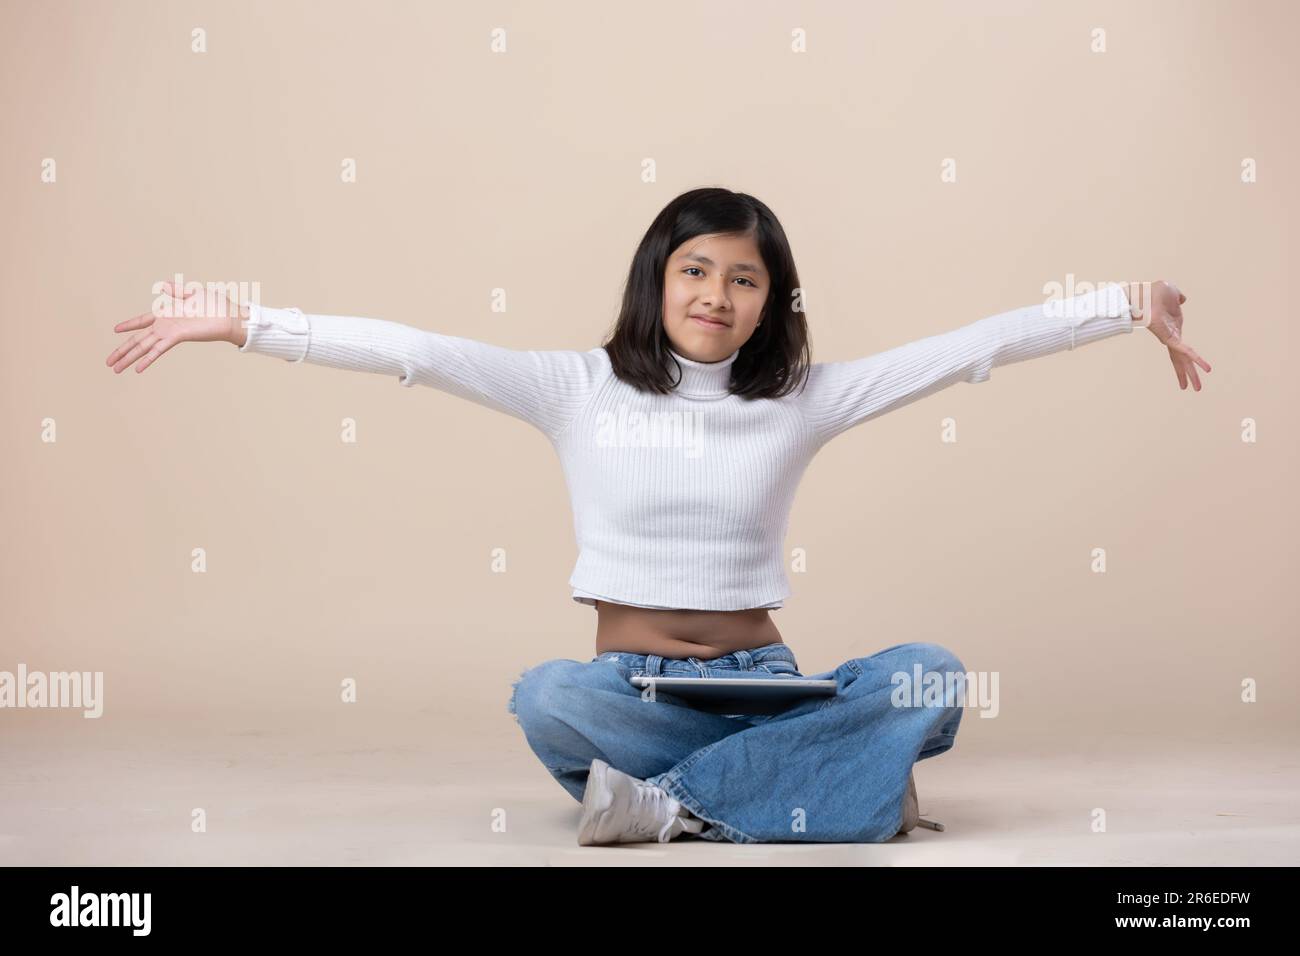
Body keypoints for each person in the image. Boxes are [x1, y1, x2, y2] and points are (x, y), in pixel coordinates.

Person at [105, 187, 1210, 845]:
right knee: (547, 697)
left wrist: (1119, 305)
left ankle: (674, 809)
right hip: (631, 694)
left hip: (772, 686)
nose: (715, 296)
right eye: (695, 269)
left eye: (743, 280)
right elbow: (413, 350)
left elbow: (966, 347)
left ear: (770, 303)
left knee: (930, 673)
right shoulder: (572, 388)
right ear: (657, 276)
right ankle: (839, 786)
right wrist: (245, 322)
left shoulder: (798, 400)